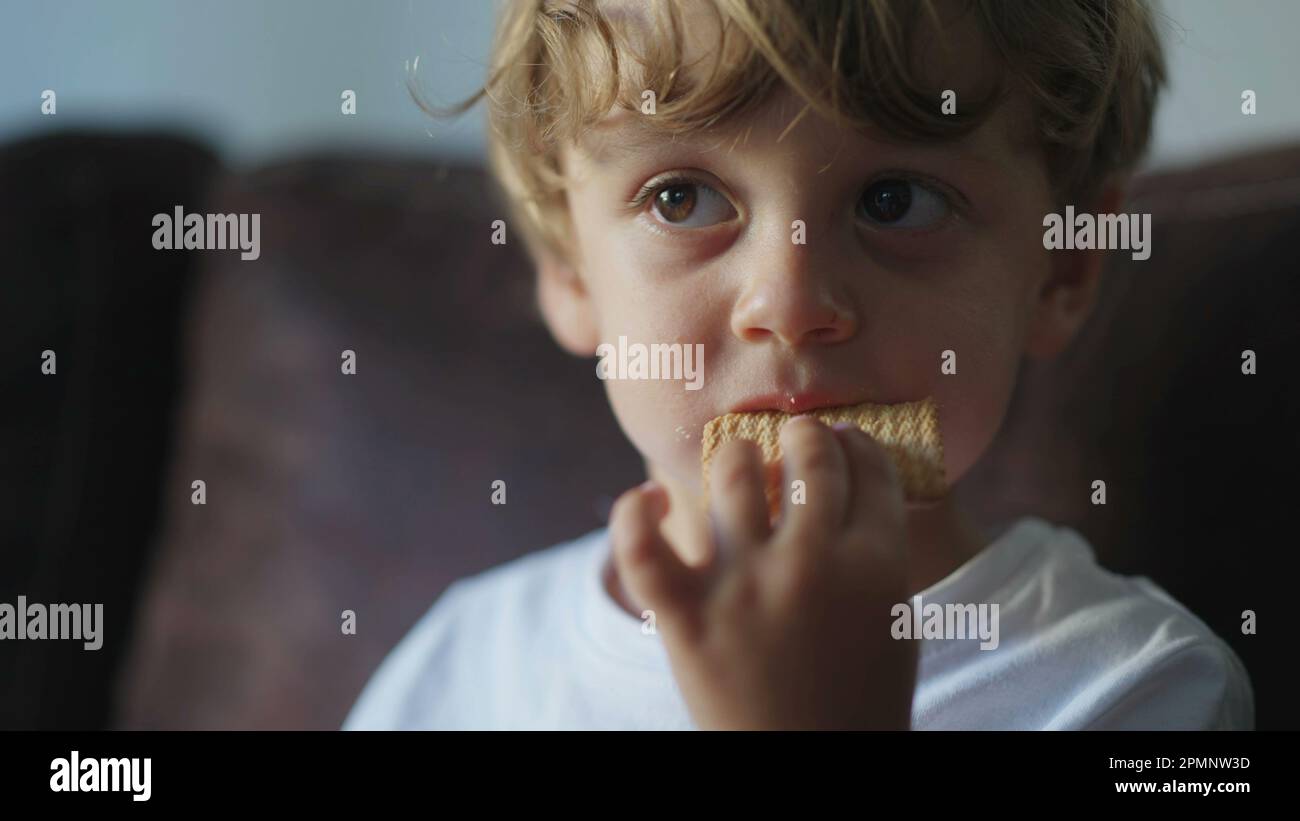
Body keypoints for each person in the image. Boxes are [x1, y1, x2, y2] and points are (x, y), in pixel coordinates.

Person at [344, 0, 1253, 730]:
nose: (789, 302)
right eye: (683, 196)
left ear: (1060, 267)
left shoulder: (1142, 686)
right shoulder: (468, 658)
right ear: (570, 268)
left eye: (894, 201)